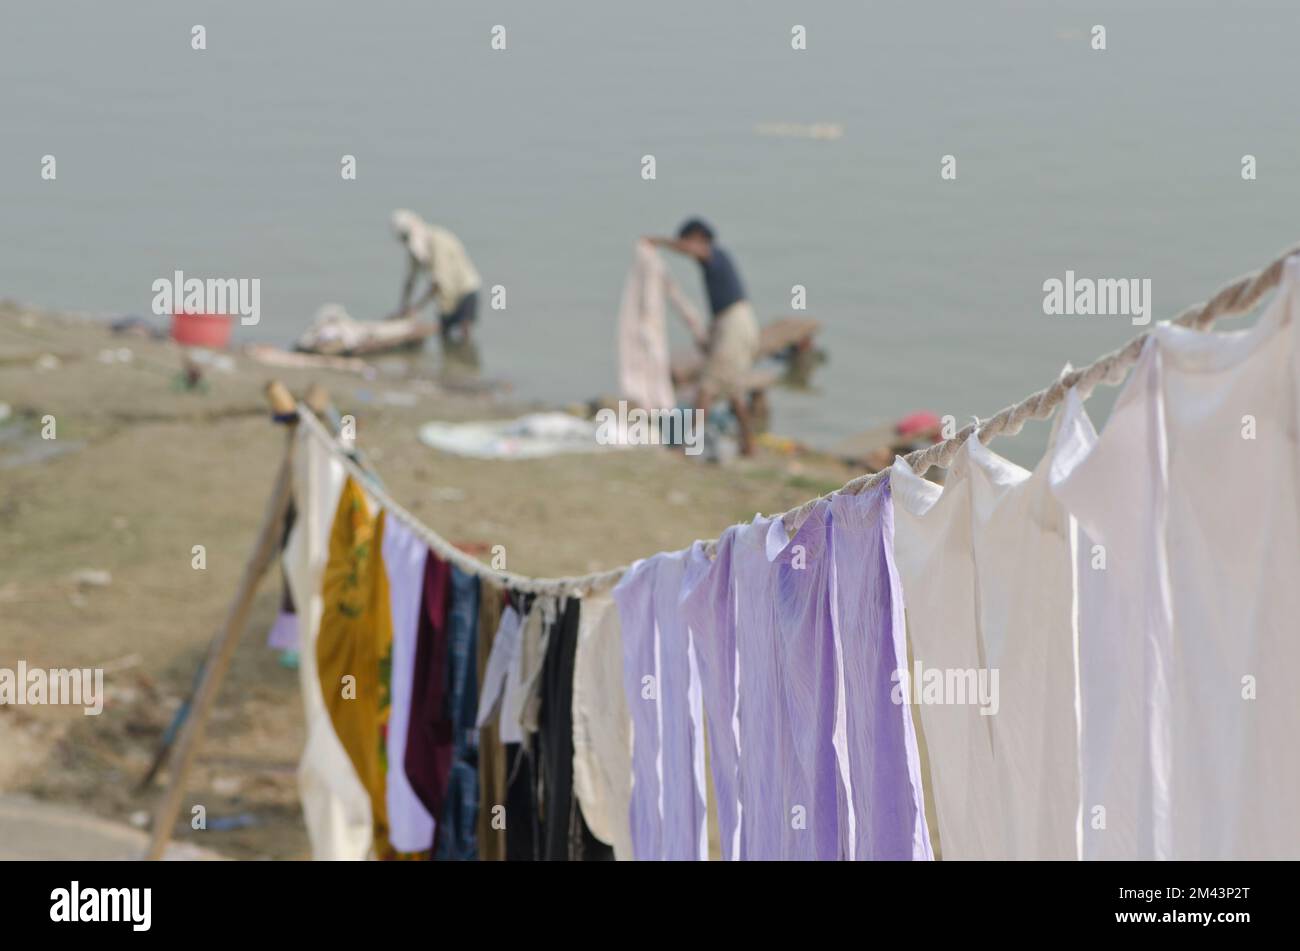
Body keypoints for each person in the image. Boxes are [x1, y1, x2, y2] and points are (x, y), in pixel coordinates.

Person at [647, 218, 760, 456]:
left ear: (699, 236)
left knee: (707, 387)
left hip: (734, 325)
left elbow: (693, 249)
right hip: (735, 323)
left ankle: (689, 445)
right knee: (734, 390)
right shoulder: (719, 259)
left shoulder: (715, 254)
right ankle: (748, 445)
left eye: (687, 239)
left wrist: (657, 242)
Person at [388, 210, 482, 344]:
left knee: (464, 332)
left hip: (465, 291)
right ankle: (452, 362)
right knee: (445, 336)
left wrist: (415, 308)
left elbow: (437, 284)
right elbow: (410, 281)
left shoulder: (438, 241)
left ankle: (462, 363)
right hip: (445, 300)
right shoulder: (415, 251)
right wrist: (404, 307)